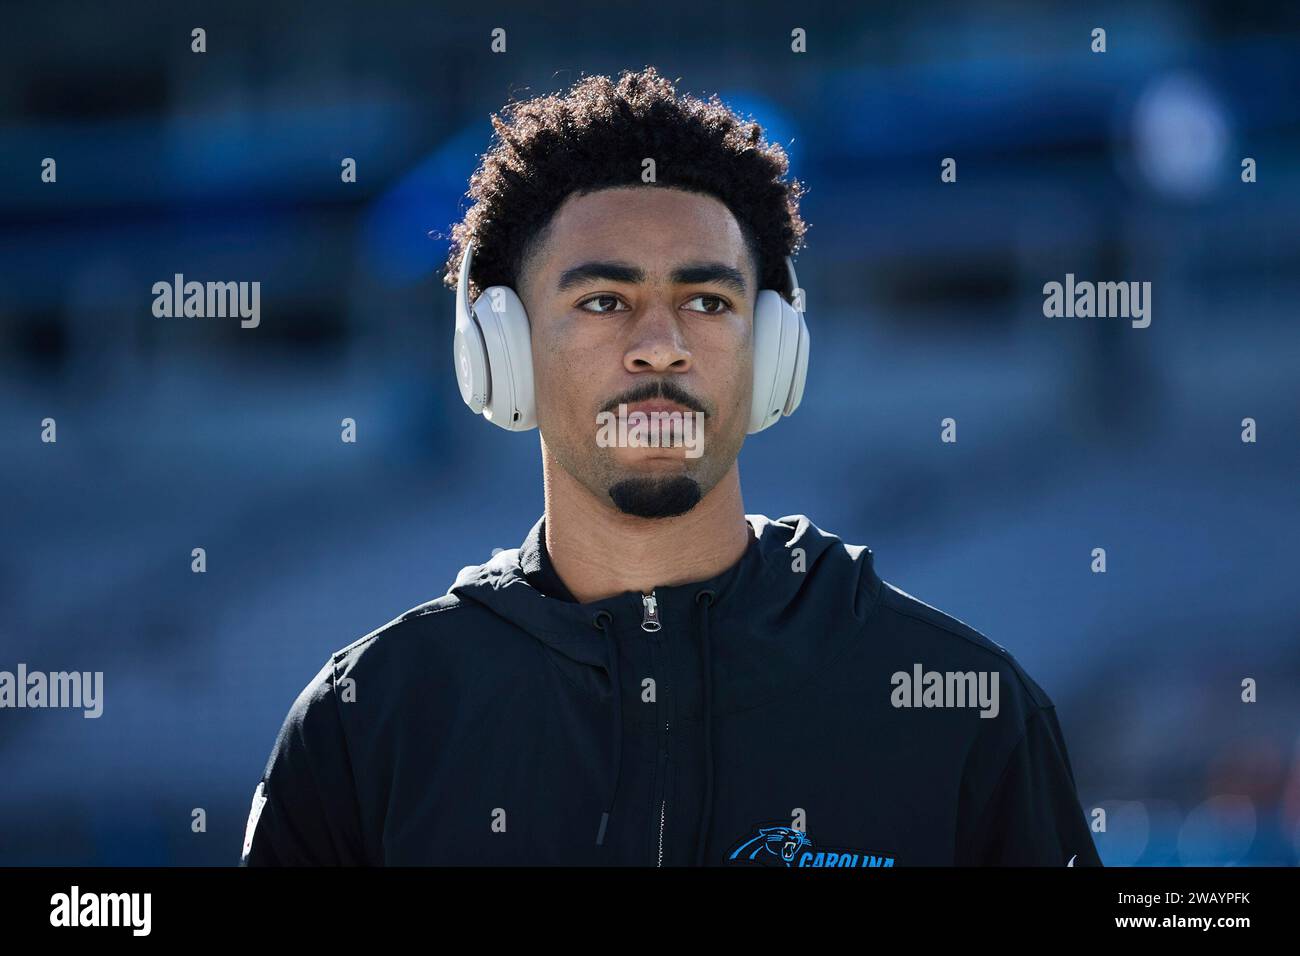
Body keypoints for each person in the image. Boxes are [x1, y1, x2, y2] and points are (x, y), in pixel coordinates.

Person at [241, 66, 1101, 867]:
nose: (661, 347)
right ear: (501, 349)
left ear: (773, 352)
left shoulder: (967, 712)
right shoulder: (366, 721)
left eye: (707, 300)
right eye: (603, 301)